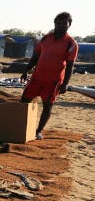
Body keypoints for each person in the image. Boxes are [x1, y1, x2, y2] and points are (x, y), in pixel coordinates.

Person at [20, 12, 78, 140]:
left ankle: (38, 131)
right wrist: (26, 71)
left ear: (69, 25)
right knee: (24, 100)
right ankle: (21, 127)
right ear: (54, 23)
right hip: (37, 78)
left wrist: (65, 84)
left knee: (47, 105)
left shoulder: (71, 44)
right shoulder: (45, 39)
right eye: (58, 23)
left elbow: (69, 66)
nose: (61, 26)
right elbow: (35, 56)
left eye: (64, 24)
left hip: (53, 81)